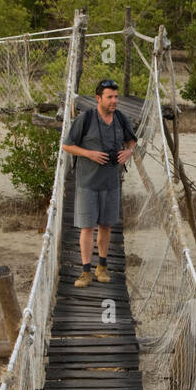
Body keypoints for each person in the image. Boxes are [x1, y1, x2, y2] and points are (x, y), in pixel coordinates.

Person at [61, 79, 137, 287]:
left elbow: (132, 140)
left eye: (116, 97)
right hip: (87, 182)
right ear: (98, 98)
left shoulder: (121, 118)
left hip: (111, 182)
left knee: (106, 225)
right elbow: (67, 146)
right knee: (87, 227)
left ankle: (102, 266)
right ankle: (85, 271)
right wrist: (89, 154)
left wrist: (128, 152)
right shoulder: (85, 119)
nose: (114, 101)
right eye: (109, 97)